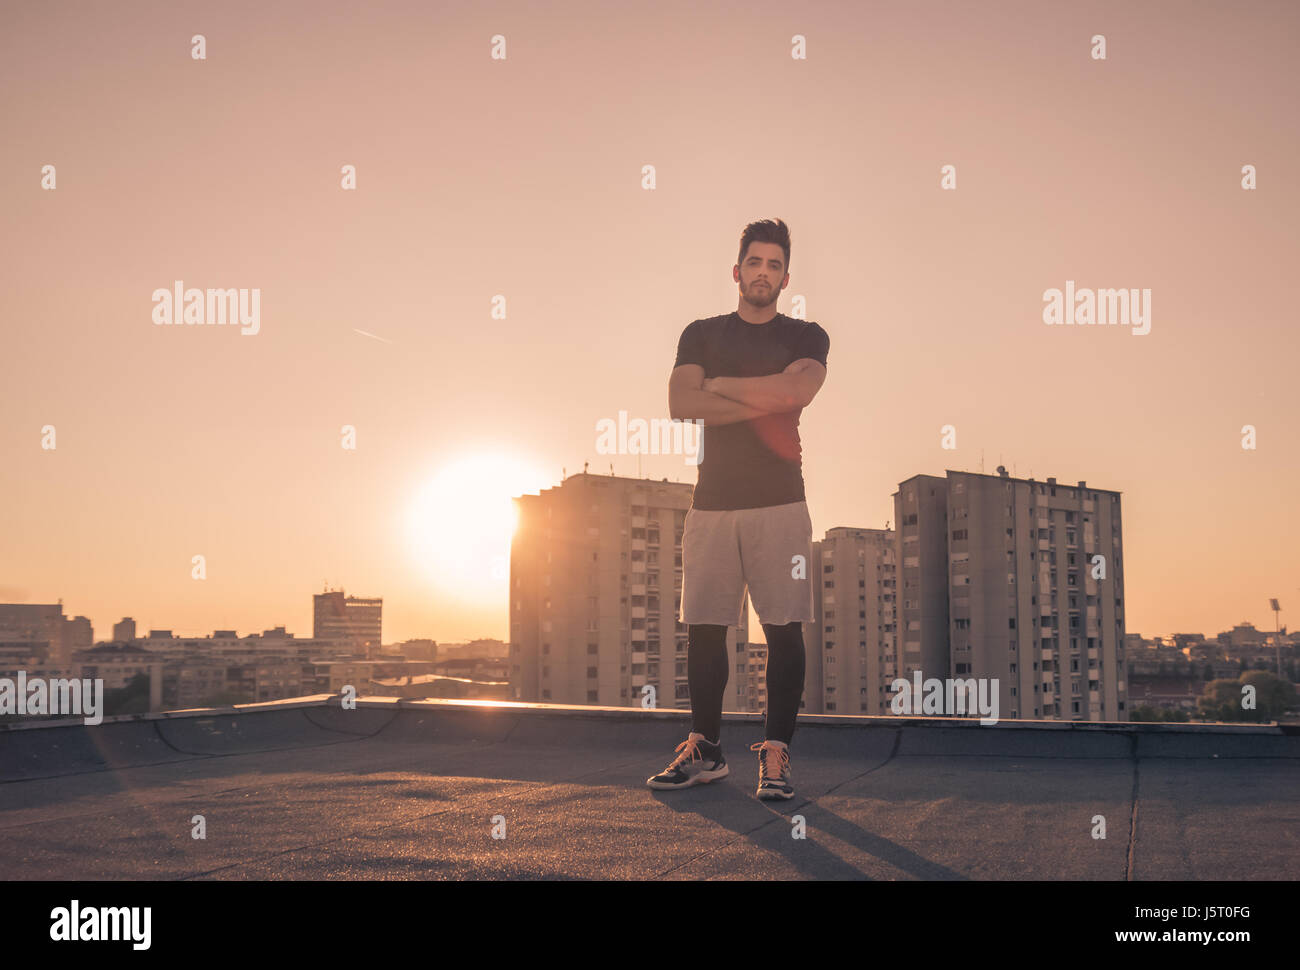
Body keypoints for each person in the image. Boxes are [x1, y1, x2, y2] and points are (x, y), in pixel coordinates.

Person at [646, 218, 828, 801]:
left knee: (783, 629)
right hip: (713, 501)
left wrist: (720, 389)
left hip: (780, 500)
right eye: (755, 262)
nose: (763, 273)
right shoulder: (700, 334)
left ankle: (775, 756)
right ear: (737, 270)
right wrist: (765, 394)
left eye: (774, 265)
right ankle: (707, 750)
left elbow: (796, 394)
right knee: (705, 627)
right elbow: (680, 403)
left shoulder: (808, 336)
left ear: (786, 277)